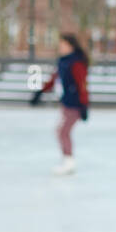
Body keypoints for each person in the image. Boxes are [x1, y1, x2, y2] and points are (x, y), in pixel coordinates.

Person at [30, 32, 90, 175]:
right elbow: (54, 79)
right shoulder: (63, 61)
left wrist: (84, 105)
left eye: (63, 45)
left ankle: (69, 162)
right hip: (66, 103)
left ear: (70, 46)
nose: (60, 47)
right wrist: (40, 92)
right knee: (61, 132)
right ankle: (67, 160)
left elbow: (82, 85)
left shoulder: (76, 63)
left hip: (75, 104)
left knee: (63, 132)